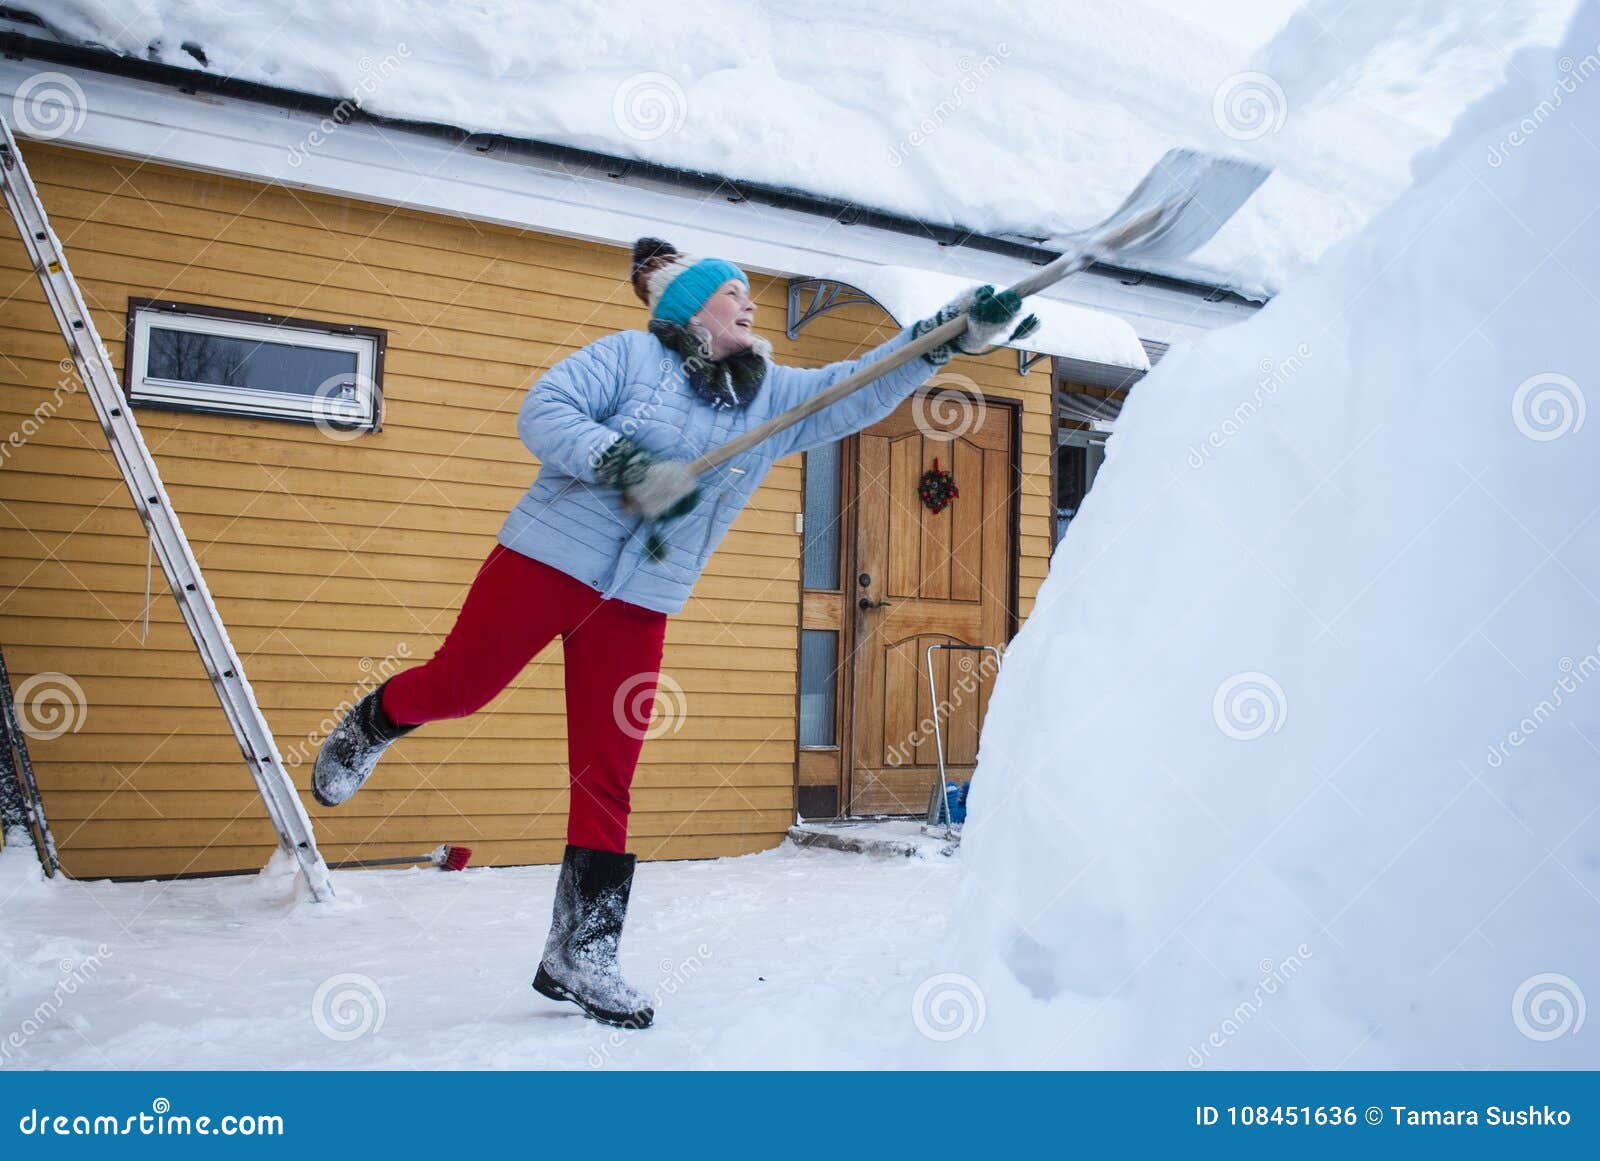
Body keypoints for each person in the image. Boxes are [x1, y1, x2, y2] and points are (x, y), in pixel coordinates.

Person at [309, 238, 1036, 1028]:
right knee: (461, 686)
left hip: (642, 595)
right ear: (691, 308)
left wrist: (946, 336)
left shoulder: (770, 399)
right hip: (545, 559)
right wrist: (623, 463)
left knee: (608, 768)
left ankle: (581, 950)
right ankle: (372, 722)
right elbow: (543, 412)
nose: (749, 304)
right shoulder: (627, 357)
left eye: (750, 296)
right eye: (734, 294)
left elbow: (852, 392)